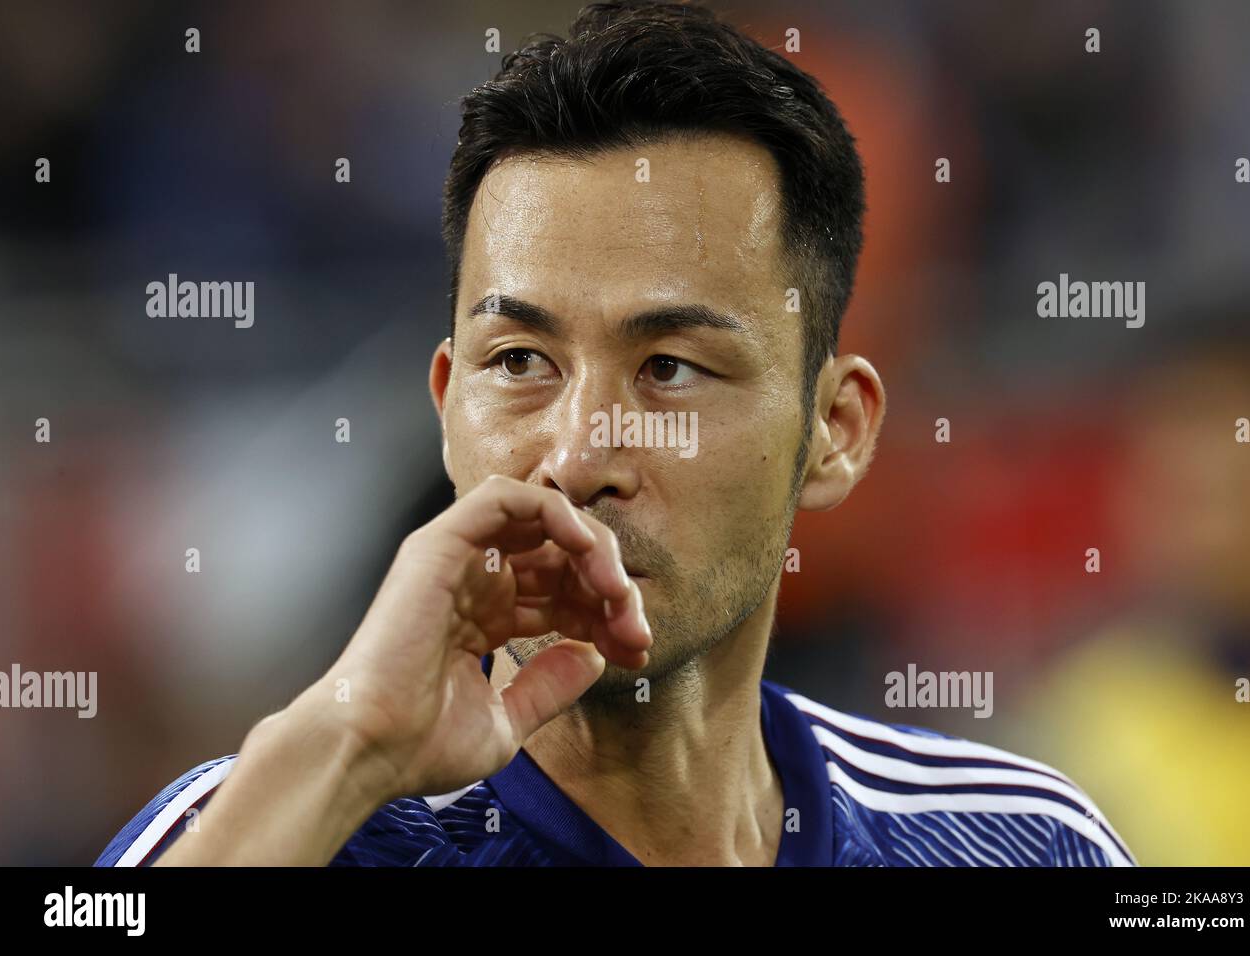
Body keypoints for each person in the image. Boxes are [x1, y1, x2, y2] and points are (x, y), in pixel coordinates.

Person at [96, 0, 1133, 867]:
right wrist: (347, 743)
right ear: (447, 407)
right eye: (520, 363)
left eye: (669, 368)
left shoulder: (1022, 841)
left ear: (835, 429)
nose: (576, 458)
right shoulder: (269, 832)